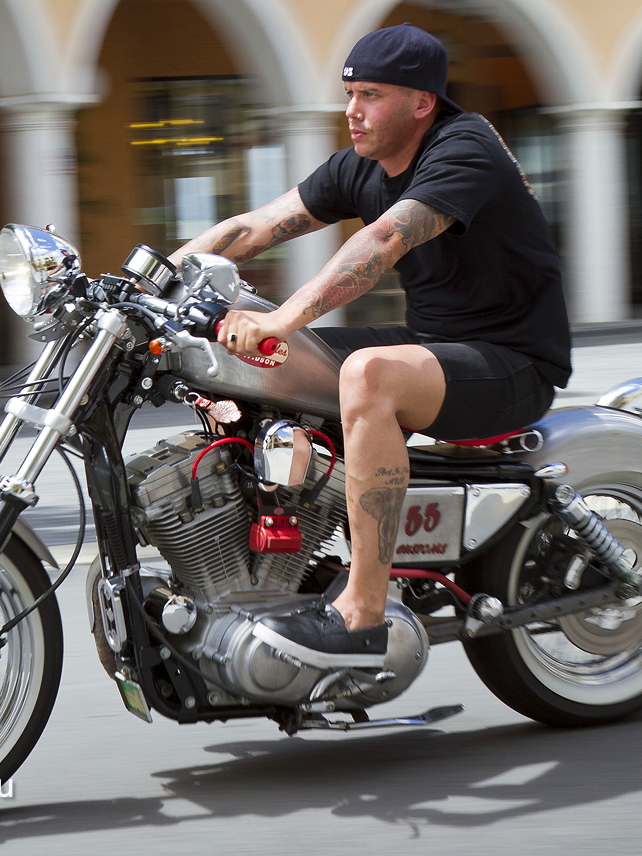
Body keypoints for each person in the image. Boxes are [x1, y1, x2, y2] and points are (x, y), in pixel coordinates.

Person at [168, 23, 571, 669]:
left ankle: (364, 611)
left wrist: (285, 317)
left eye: (372, 95)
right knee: (249, 367)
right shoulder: (360, 165)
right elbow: (256, 225)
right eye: (350, 92)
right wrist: (150, 280)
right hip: (434, 346)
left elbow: (384, 242)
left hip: (512, 358)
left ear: (421, 102)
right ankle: (274, 566)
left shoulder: (463, 147)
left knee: (367, 375)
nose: (352, 110)